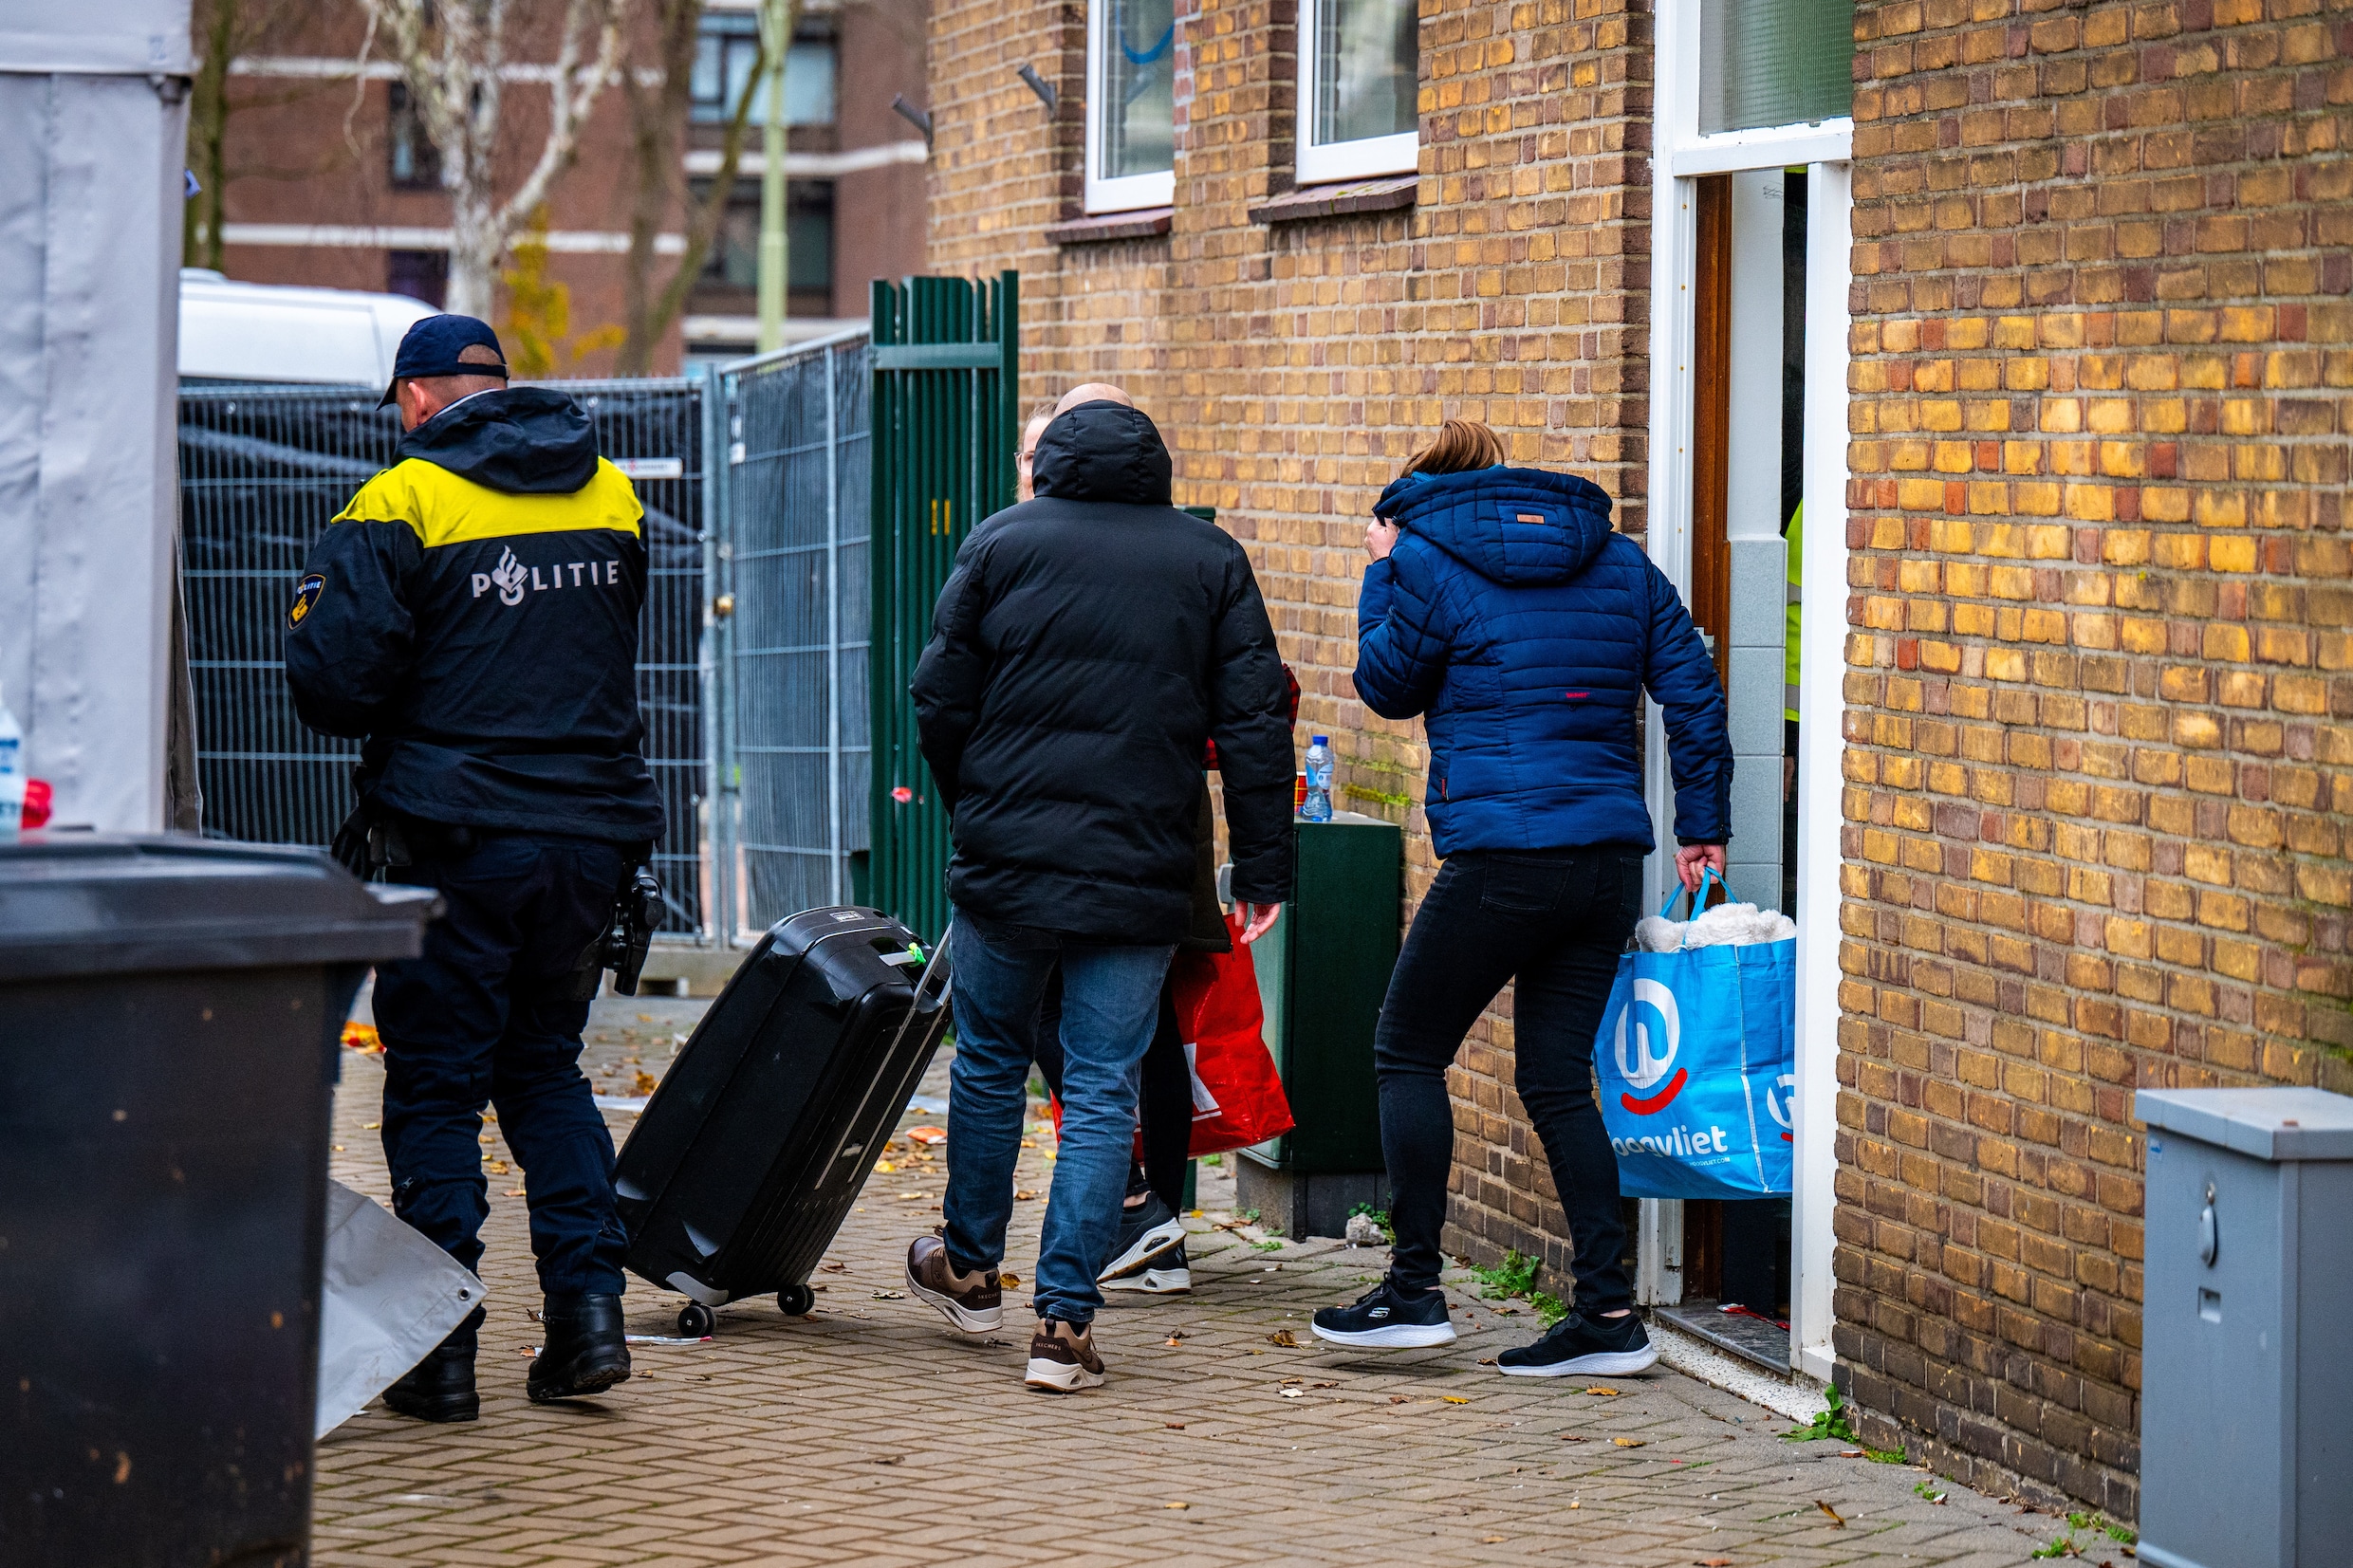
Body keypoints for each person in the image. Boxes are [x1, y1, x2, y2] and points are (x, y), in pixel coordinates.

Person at [285, 314, 665, 1419]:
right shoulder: (609, 493)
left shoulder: (399, 502)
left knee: (439, 1083)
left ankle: (438, 1354)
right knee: (545, 1070)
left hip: (451, 839)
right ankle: (587, 1322)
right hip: (591, 838)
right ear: (499, 384)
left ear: (412, 397)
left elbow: (335, 688)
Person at [1308, 418, 1732, 1378]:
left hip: (1502, 857)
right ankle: (1608, 1314)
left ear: (1416, 495)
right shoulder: (1618, 563)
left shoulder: (1422, 560)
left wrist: (1381, 571)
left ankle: (1411, 1293)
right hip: (1601, 862)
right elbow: (1692, 690)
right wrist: (1701, 823)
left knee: (1404, 1049)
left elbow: (1384, 685)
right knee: (1551, 1080)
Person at [903, 384, 1294, 1392]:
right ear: (1156, 468)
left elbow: (939, 697)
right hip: (1141, 863)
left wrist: (975, 804)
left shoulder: (998, 544)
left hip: (1008, 862)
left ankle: (970, 1263)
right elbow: (1254, 726)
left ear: (1047, 468)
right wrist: (1261, 867)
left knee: (989, 1058)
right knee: (1100, 1081)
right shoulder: (1207, 558)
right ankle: (1065, 1323)